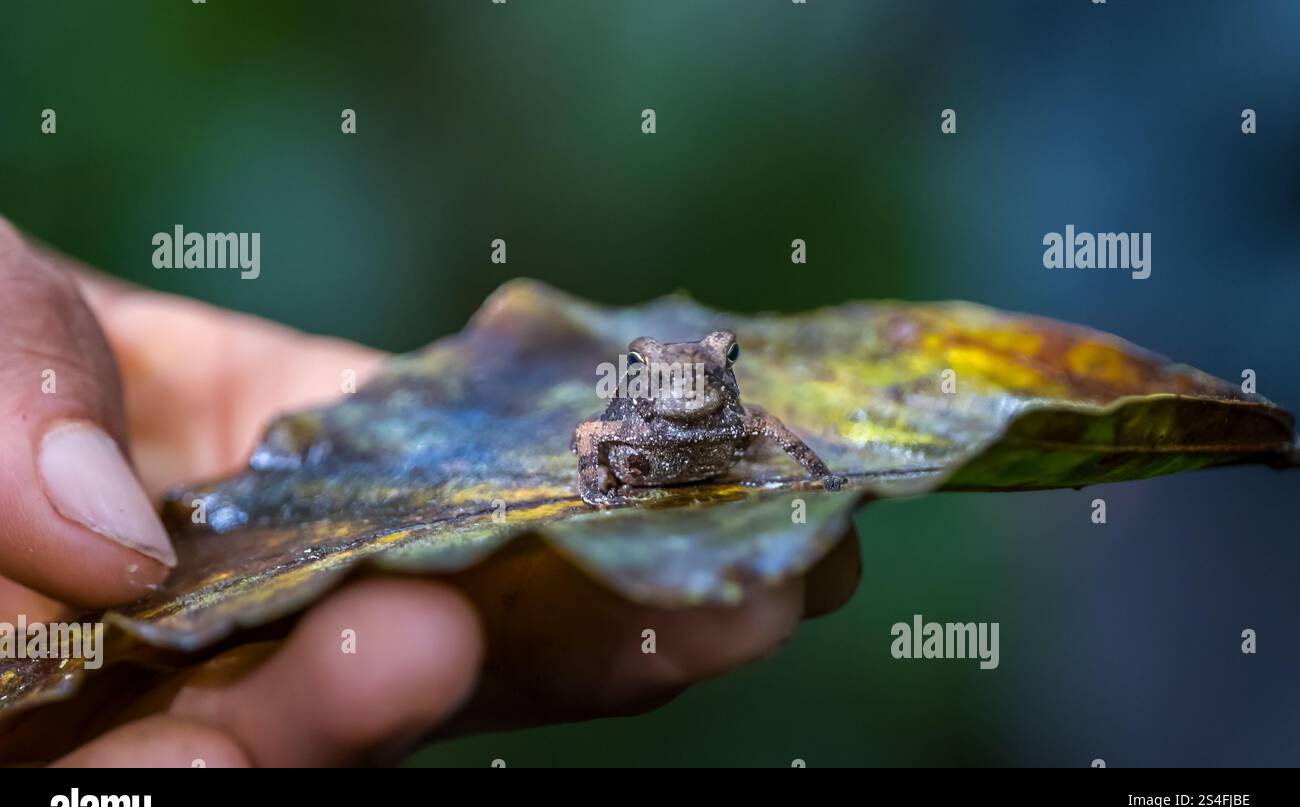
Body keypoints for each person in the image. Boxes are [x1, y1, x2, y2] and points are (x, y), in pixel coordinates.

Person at [0, 217, 859, 766]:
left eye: (717, 366)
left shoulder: (735, 418)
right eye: (656, 371)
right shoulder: (630, 416)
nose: (693, 381)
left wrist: (818, 477)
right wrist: (600, 491)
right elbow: (592, 436)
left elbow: (777, 434)